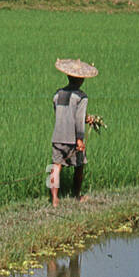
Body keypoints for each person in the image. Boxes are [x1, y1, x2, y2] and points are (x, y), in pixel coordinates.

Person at [49, 57, 99, 206]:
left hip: (57, 136)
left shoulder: (57, 94)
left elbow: (61, 113)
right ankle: (76, 195)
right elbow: (77, 119)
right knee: (79, 165)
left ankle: (54, 199)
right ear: (81, 79)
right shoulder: (81, 97)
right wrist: (80, 140)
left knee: (56, 166)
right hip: (72, 137)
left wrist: (86, 118)